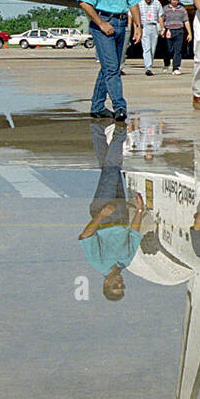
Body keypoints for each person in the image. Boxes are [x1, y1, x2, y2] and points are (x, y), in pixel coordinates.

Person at [78, 121, 150, 301]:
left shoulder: (98, 263)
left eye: (115, 286)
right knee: (110, 170)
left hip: (103, 213)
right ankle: (96, 127)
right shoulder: (126, 261)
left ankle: (119, 132)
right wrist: (139, 210)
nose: (120, 282)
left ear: (106, 284)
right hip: (121, 213)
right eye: (122, 285)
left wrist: (102, 214)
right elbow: (134, 234)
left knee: (111, 169)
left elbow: (85, 236)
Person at [76, 0, 142, 121]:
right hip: (103, 23)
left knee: (109, 67)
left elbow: (134, 2)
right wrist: (101, 23)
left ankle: (97, 106)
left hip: (122, 23)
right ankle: (120, 106)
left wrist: (138, 25)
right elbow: (84, 2)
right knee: (113, 69)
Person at [161, 0, 191, 75]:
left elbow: (186, 21)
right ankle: (166, 63)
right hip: (168, 31)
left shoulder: (182, 9)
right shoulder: (165, 9)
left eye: (176, 0)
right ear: (170, 0)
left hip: (179, 31)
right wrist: (162, 29)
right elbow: (161, 19)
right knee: (168, 49)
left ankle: (176, 67)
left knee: (178, 50)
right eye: (173, 0)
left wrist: (189, 33)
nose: (174, 2)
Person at [137, 0, 163, 75]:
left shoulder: (157, 3)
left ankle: (150, 65)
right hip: (144, 27)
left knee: (152, 48)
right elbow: (136, 17)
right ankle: (148, 68)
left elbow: (160, 16)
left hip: (154, 27)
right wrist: (137, 28)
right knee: (146, 48)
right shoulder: (140, 4)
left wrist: (162, 28)